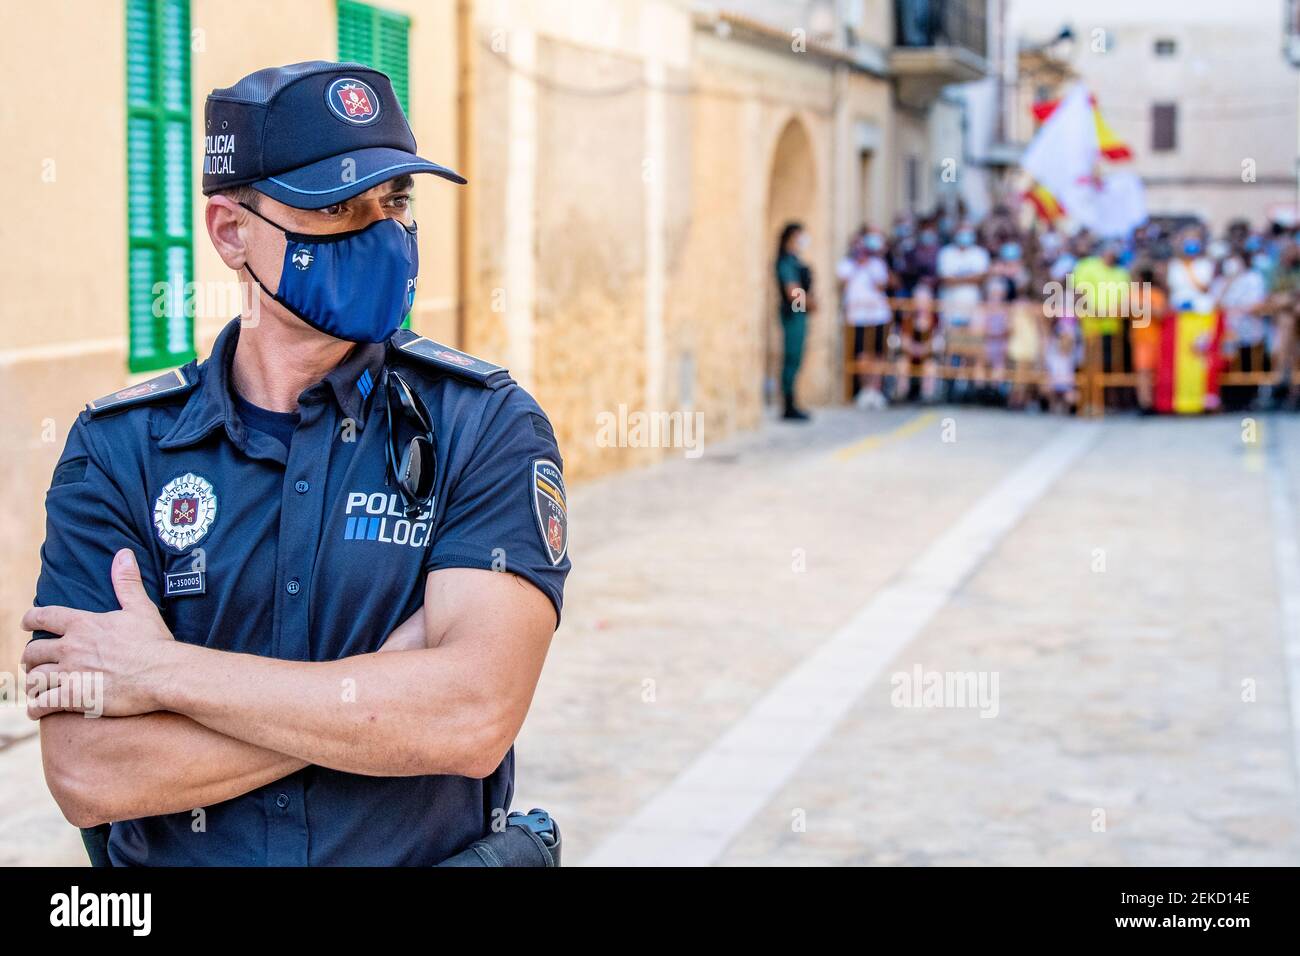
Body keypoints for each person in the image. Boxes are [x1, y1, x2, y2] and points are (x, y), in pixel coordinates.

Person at [23, 62, 570, 866]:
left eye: (397, 202)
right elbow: (89, 772)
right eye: (338, 206)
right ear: (230, 231)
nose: (383, 232)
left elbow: (471, 719)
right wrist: (379, 697)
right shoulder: (118, 451)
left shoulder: (483, 425)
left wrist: (163, 672)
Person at [837, 232, 893, 408]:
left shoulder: (876, 265)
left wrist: (868, 265)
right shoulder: (847, 265)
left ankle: (875, 390)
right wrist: (857, 266)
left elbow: (882, 284)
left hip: (877, 315)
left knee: (877, 354)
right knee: (861, 354)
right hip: (856, 317)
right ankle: (864, 389)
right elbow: (842, 284)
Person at [937, 223, 990, 391]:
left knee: (971, 349)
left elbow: (981, 277)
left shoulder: (979, 254)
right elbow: (946, 279)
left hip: (972, 309)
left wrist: (958, 279)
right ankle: (950, 385)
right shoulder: (946, 253)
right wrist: (968, 277)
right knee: (951, 348)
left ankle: (969, 386)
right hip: (951, 309)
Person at [776, 221, 815, 421]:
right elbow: (793, 292)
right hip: (793, 314)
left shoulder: (794, 260)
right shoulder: (786, 262)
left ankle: (792, 402)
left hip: (798, 313)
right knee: (792, 357)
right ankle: (788, 404)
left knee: (797, 357)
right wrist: (808, 303)